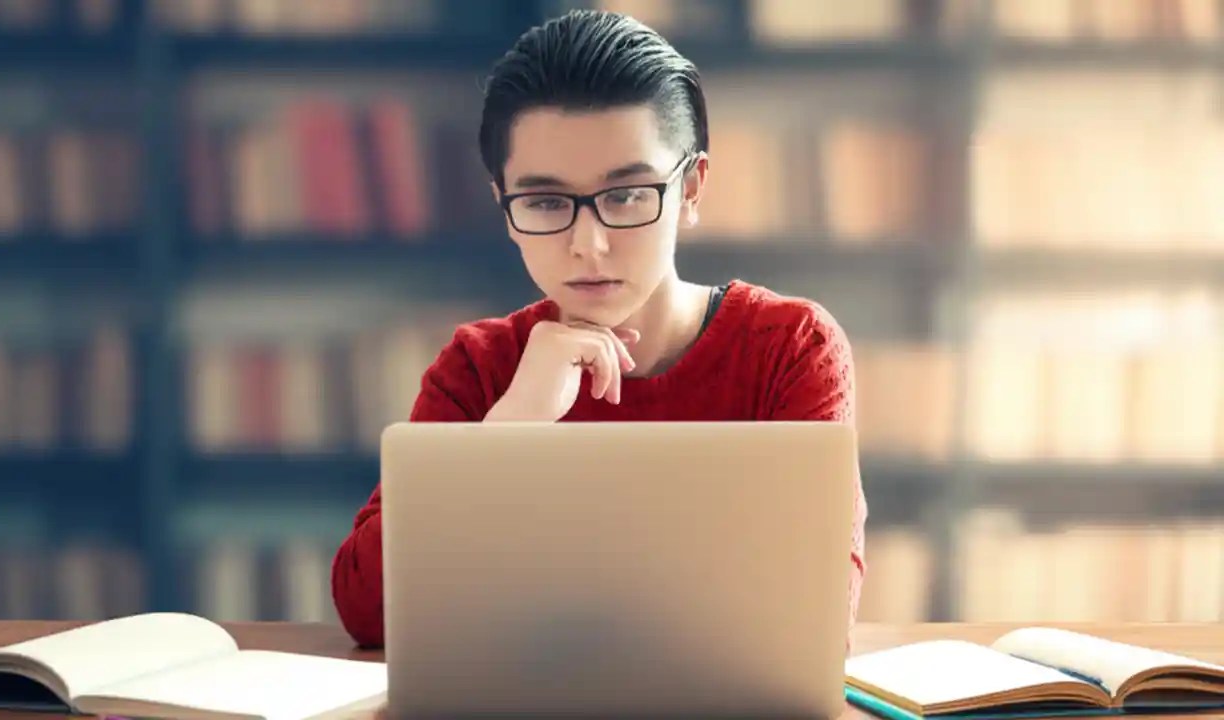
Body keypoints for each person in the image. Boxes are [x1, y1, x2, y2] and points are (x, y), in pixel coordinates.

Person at [331, 8, 867, 652]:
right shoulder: (480, 368)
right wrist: (508, 430)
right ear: (503, 205)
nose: (590, 244)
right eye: (546, 202)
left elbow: (819, 610)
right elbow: (366, 611)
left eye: (628, 194)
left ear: (692, 190)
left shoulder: (790, 347)